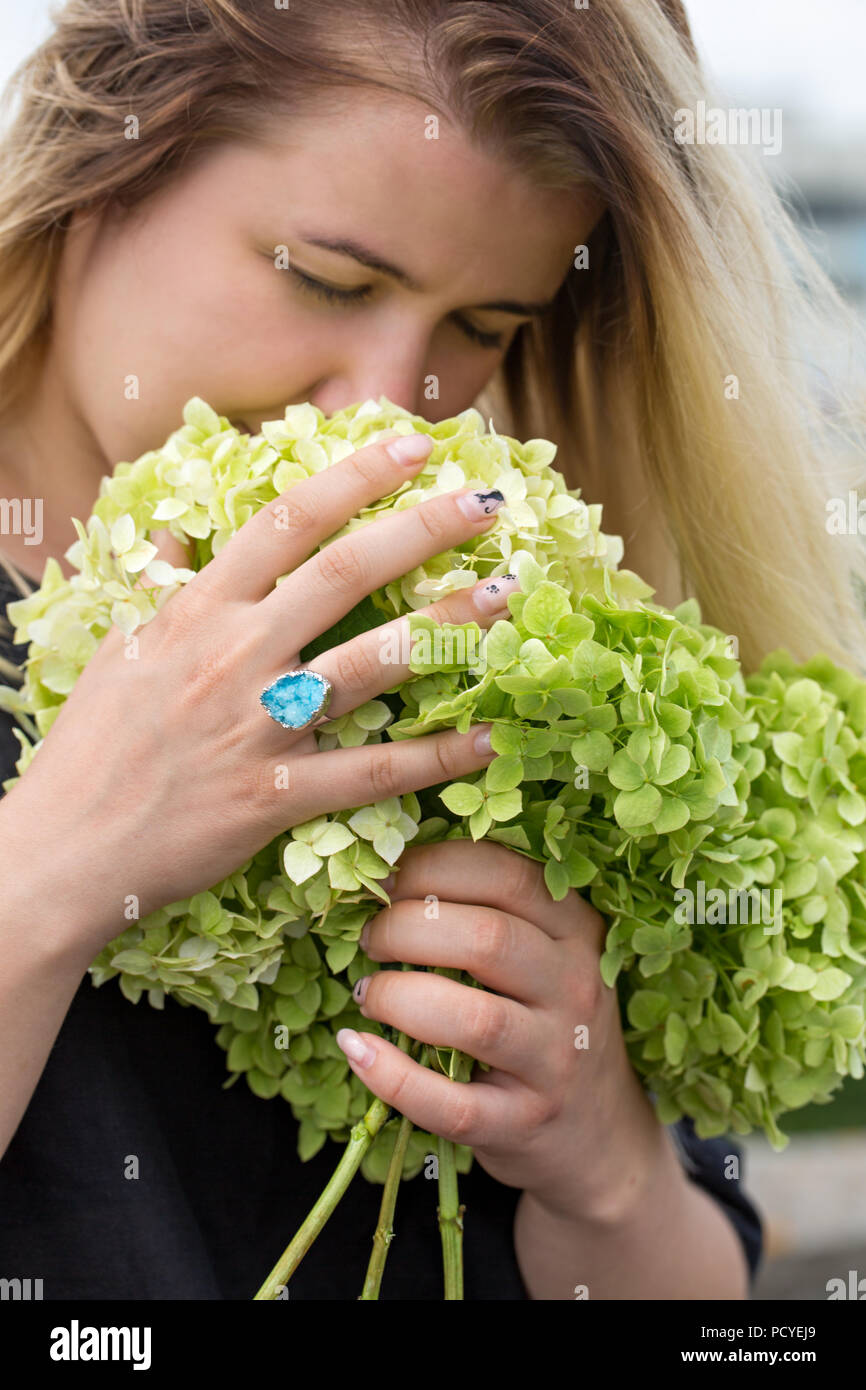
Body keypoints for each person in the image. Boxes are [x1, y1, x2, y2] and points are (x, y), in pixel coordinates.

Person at [5, 0, 862, 1302]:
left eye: (481, 328)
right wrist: (55, 868)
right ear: (97, 172)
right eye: (325, 278)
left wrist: (609, 1174)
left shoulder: (498, 657)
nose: (381, 414)